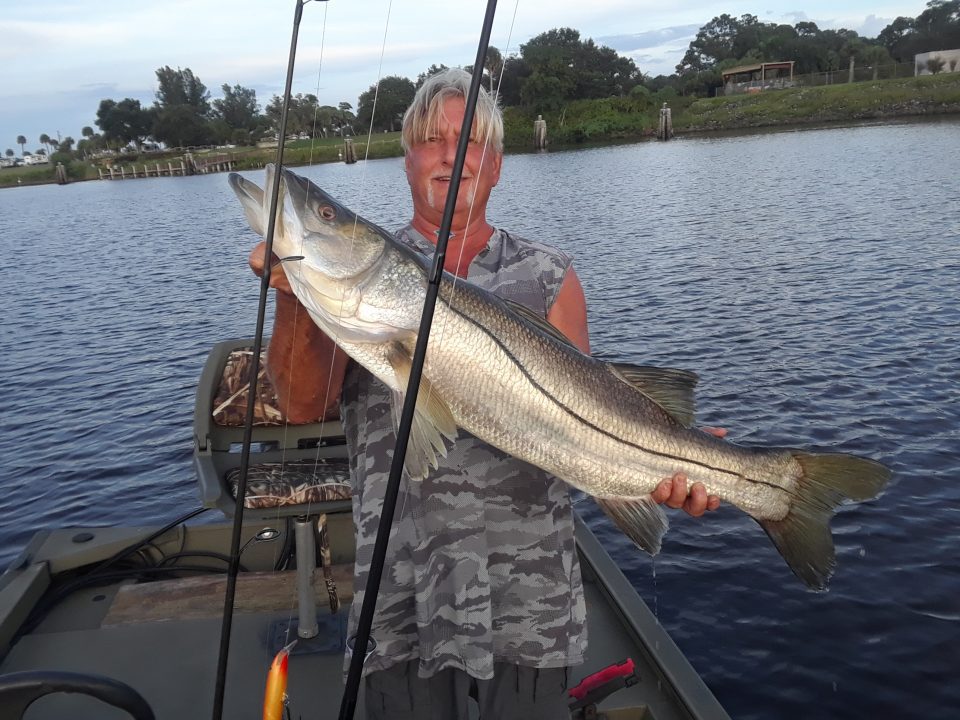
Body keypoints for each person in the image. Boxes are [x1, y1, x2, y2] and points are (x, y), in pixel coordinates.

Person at [249, 68, 720, 719]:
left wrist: (665, 466)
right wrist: (292, 292)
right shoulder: (351, 296)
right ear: (407, 158)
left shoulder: (550, 276)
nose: (450, 154)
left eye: (469, 140)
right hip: (401, 599)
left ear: (496, 163)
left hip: (530, 600)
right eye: (430, 139)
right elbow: (302, 407)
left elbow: (596, 421)